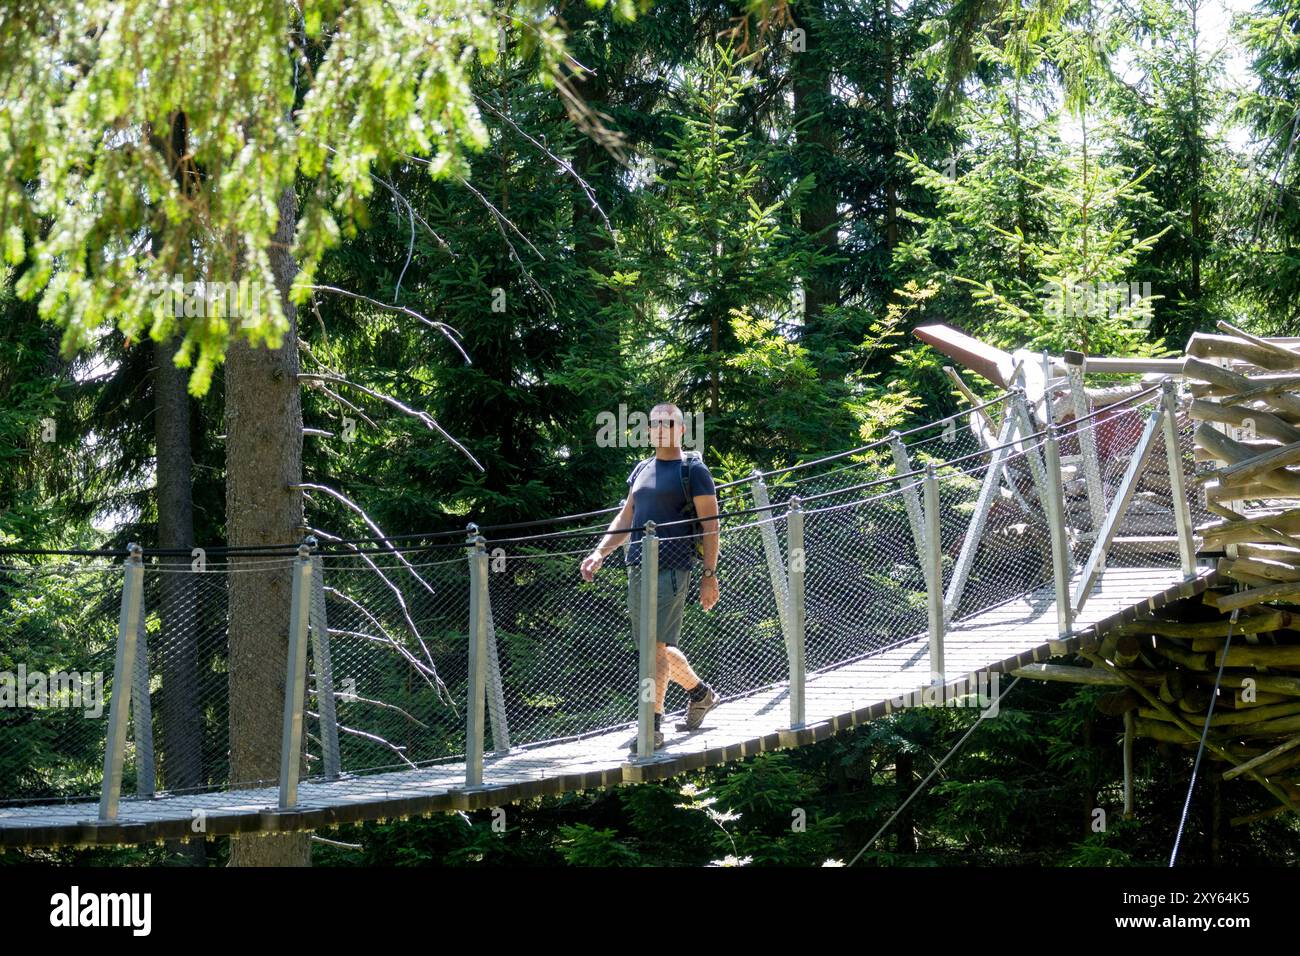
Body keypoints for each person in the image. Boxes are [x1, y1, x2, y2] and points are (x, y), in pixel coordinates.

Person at [579, 402, 721, 754]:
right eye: (655, 423)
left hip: (673, 568)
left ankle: (651, 728)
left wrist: (709, 574)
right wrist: (599, 552)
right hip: (637, 567)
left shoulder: (693, 470)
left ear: (682, 430)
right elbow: (626, 517)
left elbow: (711, 525)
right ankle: (700, 694)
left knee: (654, 646)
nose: (661, 429)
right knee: (654, 646)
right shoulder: (641, 469)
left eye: (668, 424)